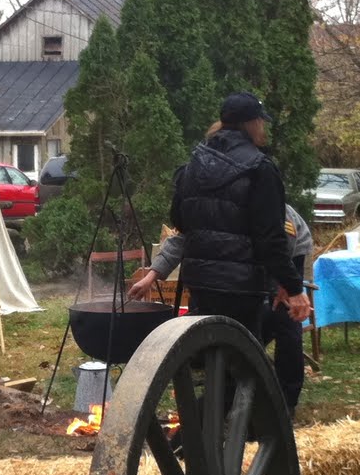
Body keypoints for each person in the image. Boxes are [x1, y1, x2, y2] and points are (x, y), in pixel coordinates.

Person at [127, 203, 313, 412]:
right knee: (235, 319)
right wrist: (150, 277)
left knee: (286, 320)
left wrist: (285, 283)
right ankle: (235, 379)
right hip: (241, 260)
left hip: (290, 249)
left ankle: (287, 402)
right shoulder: (205, 207)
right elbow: (179, 241)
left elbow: (283, 238)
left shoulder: (263, 201)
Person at [162, 91, 310, 338]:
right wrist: (294, 287)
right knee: (241, 358)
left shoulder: (193, 165)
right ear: (252, 123)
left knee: (207, 346)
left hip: (199, 280)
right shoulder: (260, 168)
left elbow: (179, 220)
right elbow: (270, 238)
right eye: (261, 122)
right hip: (241, 286)